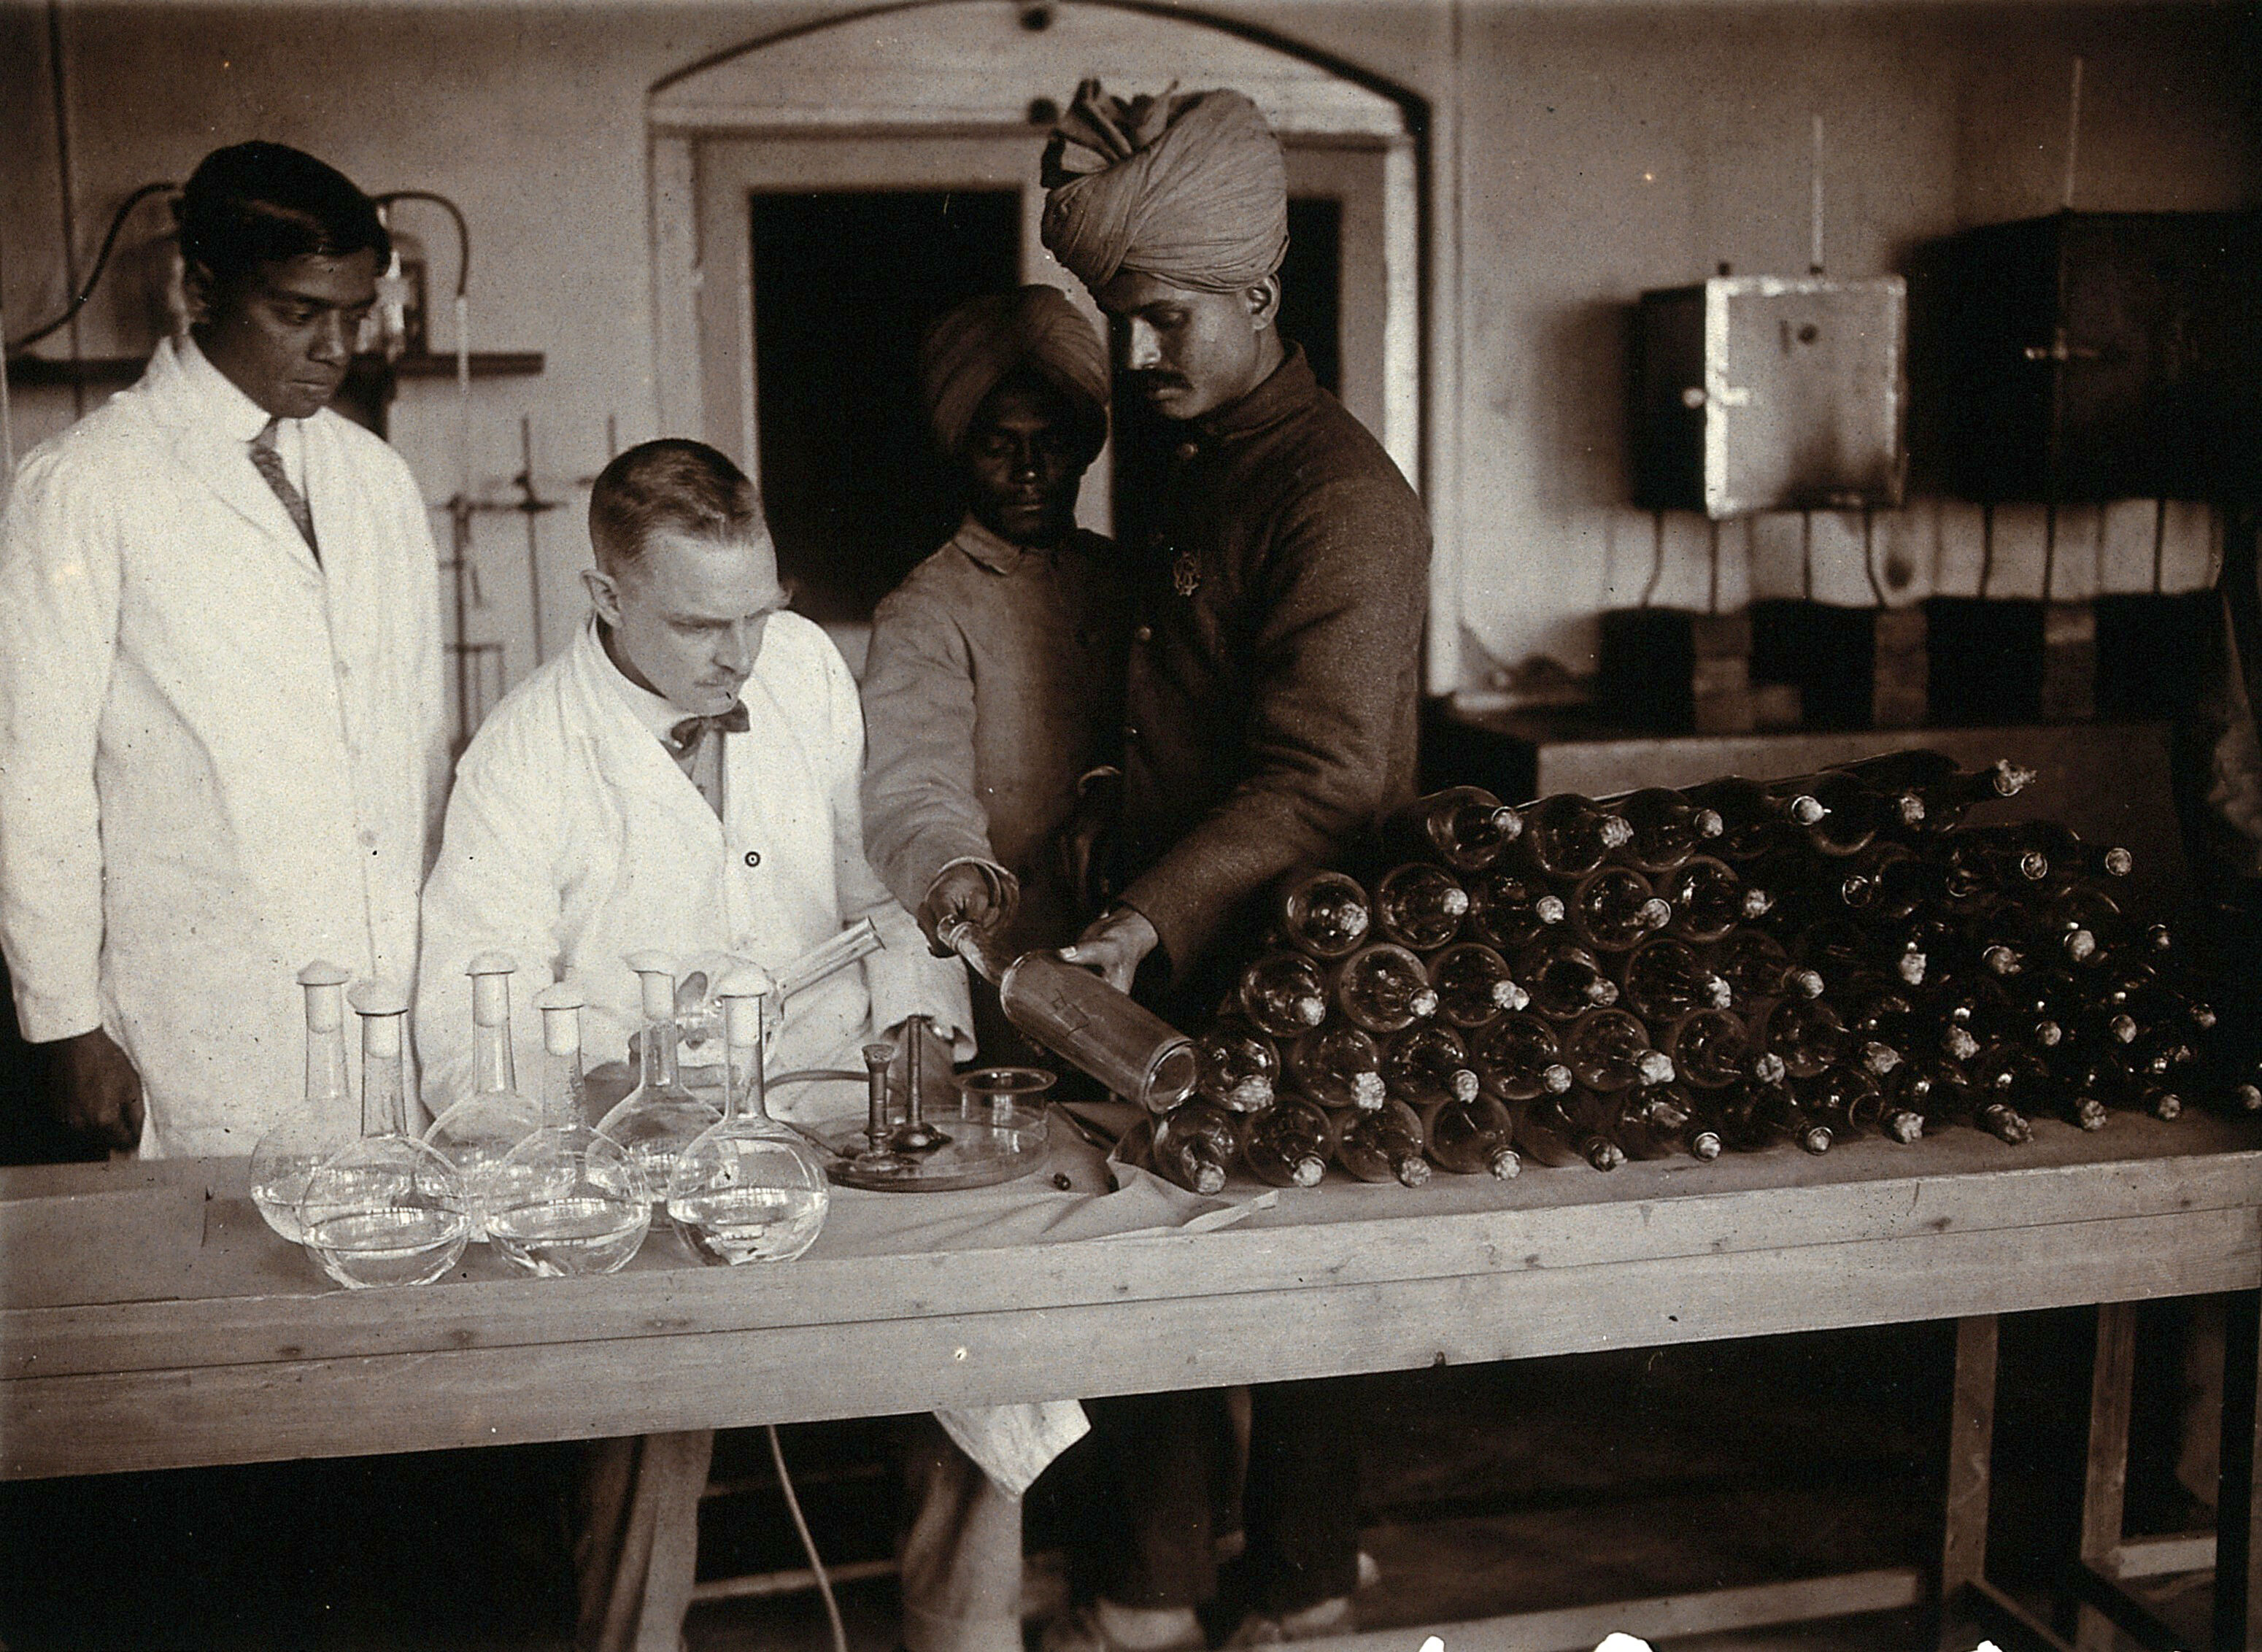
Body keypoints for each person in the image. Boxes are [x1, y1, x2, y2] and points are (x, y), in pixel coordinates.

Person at [414, 437, 978, 1652]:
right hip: (646, 1151)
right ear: (605, 597)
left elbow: (884, 889)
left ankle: (970, 1637)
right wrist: (613, 1089)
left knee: (988, 1340)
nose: (740, 656)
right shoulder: (522, 754)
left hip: (838, 1103)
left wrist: (922, 1021)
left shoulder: (812, 668)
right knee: (645, 1375)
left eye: (757, 613)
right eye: (699, 625)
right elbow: (469, 1023)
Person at [1034, 81, 1433, 1651]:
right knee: (1182, 1273)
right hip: (1200, 950)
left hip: (1289, 964)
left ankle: (1245, 1593)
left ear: (1256, 297)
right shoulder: (1211, 456)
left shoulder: (1338, 496)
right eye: (1120, 321)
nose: (1136, 359)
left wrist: (1140, 912)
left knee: (1273, 1283)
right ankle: (1205, 1583)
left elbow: (1326, 776)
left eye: (1161, 319)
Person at [0, 141, 446, 1159]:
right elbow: (36, 777)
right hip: (198, 1009)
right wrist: (65, 1021)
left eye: (354, 312)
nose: (336, 346)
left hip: (391, 1001)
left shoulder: (375, 480)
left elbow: (419, 746)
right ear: (198, 289)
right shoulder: (85, 484)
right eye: (297, 313)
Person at [861, 283, 1127, 1016]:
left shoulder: (1120, 579)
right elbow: (915, 783)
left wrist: (1110, 786)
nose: (1030, 468)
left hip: (1143, 947)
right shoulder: (926, 610)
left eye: (1050, 441)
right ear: (960, 451)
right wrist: (952, 866)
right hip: (1014, 971)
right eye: (998, 445)